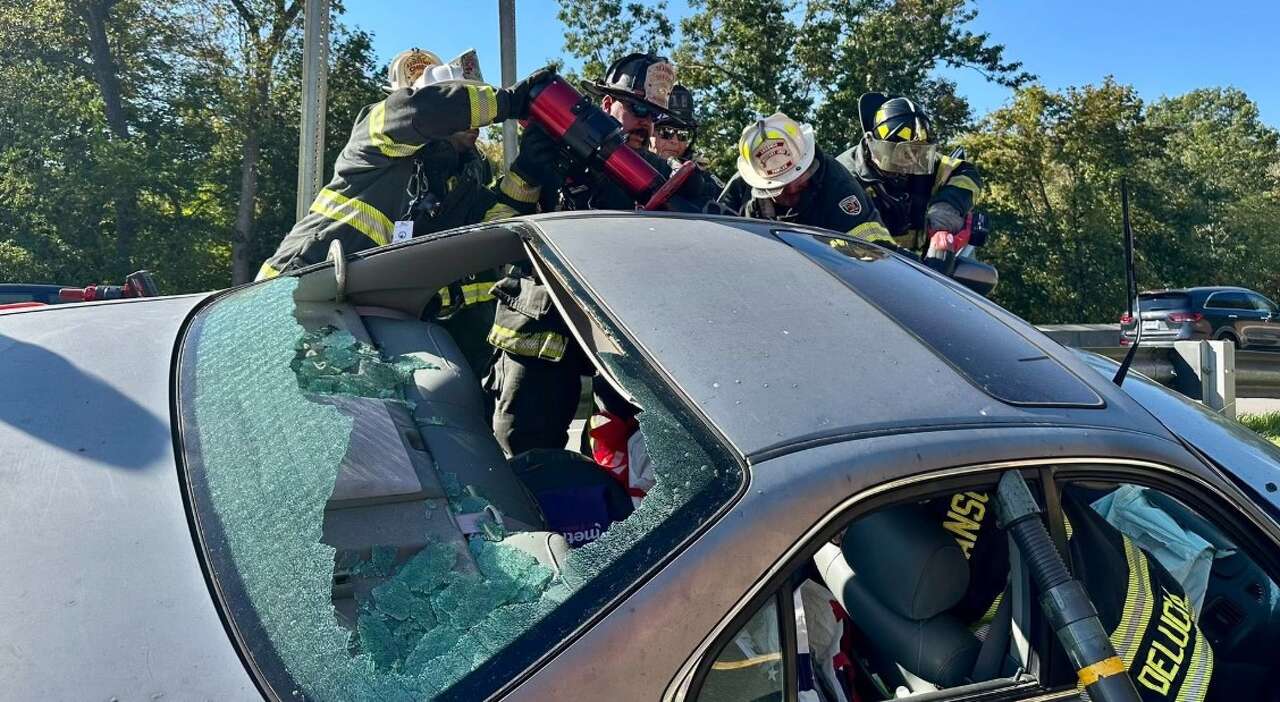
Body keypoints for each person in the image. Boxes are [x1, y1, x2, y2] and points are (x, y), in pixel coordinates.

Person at [482, 53, 717, 457]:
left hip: (620, 338)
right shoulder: (550, 151)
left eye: (655, 115)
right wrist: (526, 175)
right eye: (637, 108)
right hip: (542, 333)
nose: (645, 122)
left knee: (626, 457)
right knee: (526, 458)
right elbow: (493, 235)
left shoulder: (654, 180)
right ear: (606, 106)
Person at [256, 49, 553, 279]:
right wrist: (509, 102)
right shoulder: (377, 134)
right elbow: (421, 112)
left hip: (355, 308)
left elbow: (497, 225)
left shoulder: (460, 179)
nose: (475, 122)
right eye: (464, 103)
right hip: (294, 285)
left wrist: (526, 171)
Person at [836, 93, 982, 255]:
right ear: (872, 143)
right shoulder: (843, 177)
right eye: (900, 154)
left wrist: (945, 212)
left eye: (917, 152)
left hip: (922, 269)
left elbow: (966, 173)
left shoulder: (922, 160)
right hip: (862, 266)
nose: (909, 162)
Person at [718, 112, 891, 242]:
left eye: (800, 178)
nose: (792, 189)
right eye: (780, 188)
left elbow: (872, 257)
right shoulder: (740, 189)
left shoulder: (839, 185)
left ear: (809, 162)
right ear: (760, 186)